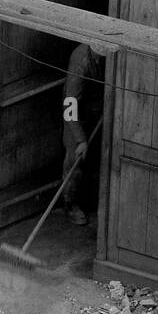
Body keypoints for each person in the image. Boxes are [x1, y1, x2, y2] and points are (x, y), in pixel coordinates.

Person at [61, 41, 105, 225]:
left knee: (95, 160)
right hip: (77, 117)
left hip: (98, 110)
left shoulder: (105, 57)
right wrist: (80, 140)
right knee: (74, 163)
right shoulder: (81, 61)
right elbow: (70, 103)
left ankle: (90, 200)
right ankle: (70, 204)